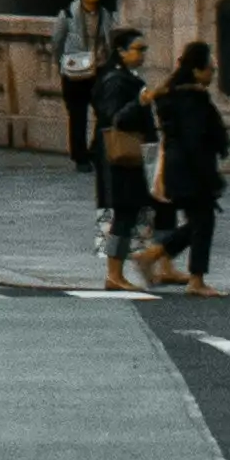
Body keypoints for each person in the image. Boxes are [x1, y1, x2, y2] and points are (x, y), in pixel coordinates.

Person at [149, 42, 230, 296]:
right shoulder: (191, 99)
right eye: (210, 68)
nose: (212, 73)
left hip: (180, 167)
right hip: (192, 170)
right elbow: (195, 140)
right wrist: (209, 177)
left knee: (198, 222)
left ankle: (158, 256)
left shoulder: (175, 94)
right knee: (202, 222)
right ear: (197, 70)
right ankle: (195, 278)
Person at [92, 28, 160, 293]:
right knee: (122, 212)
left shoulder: (125, 78)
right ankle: (114, 273)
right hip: (119, 155)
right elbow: (114, 118)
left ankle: (121, 271)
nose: (142, 54)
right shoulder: (116, 81)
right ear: (121, 52)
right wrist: (140, 103)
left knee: (129, 211)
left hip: (126, 155)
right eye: (138, 49)